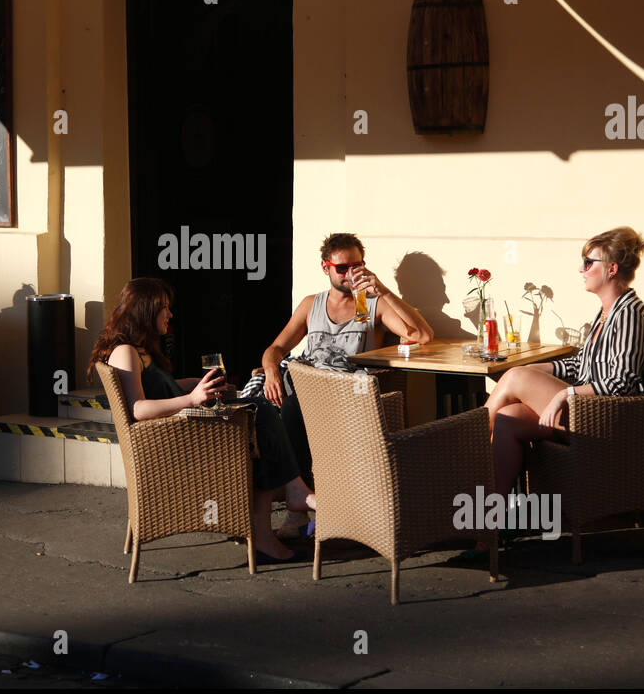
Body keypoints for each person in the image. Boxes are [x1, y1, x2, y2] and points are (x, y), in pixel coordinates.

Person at [89, 278, 314, 563]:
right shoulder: (125, 352)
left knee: (259, 427)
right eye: (164, 308)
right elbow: (137, 409)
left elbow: (157, 389)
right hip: (171, 445)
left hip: (179, 433)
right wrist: (192, 398)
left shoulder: (139, 350)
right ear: (146, 310)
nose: (170, 314)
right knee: (260, 419)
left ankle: (266, 527)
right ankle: (285, 506)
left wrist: (194, 383)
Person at [484, 226, 644, 499]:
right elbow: (581, 367)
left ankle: (461, 458)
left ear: (611, 269)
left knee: (515, 377)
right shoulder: (607, 313)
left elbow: (621, 383)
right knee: (508, 418)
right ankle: (488, 521)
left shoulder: (629, 314)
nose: (582, 269)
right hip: (592, 412)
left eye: (588, 262)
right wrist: (534, 370)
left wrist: (563, 395)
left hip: (616, 422)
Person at [256, 233, 434, 489]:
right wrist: (271, 371)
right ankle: (295, 496)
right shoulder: (311, 305)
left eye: (356, 266)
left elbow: (423, 335)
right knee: (276, 406)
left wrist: (383, 291)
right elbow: (276, 348)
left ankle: (301, 501)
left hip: (349, 393)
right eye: (341, 268)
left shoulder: (370, 304)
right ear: (325, 267)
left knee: (294, 408)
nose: (350, 273)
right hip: (309, 390)